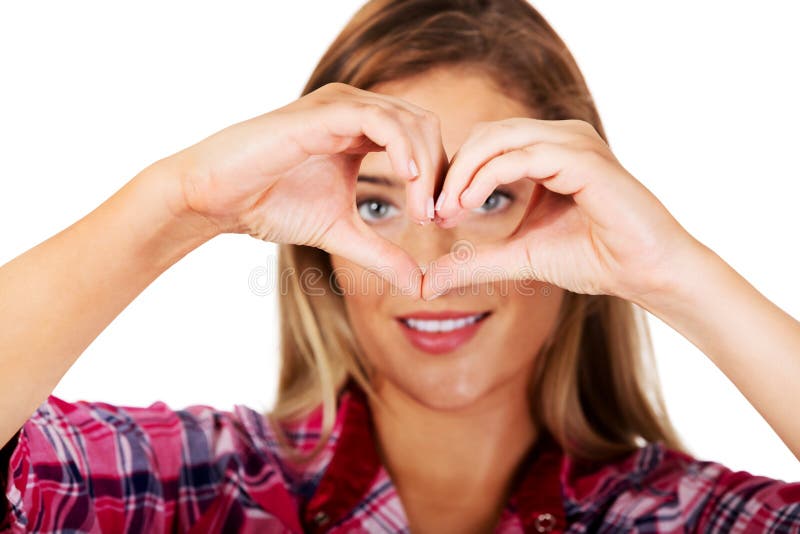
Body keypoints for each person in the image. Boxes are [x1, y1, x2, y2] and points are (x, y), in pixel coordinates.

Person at [1, 0, 799, 532]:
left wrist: (676, 275)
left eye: (489, 200)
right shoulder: (203, 488)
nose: (428, 263)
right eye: (378, 206)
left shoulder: (677, 516)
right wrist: (182, 203)